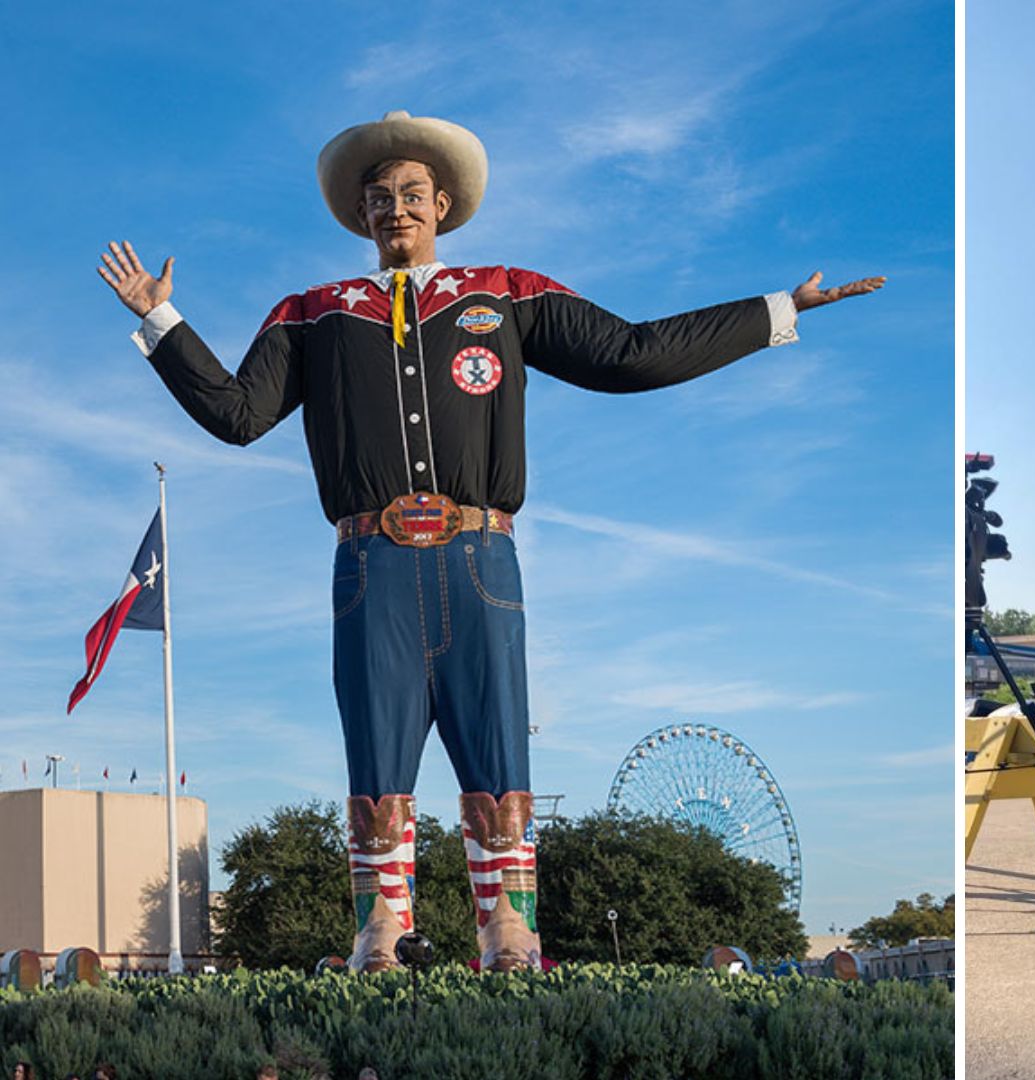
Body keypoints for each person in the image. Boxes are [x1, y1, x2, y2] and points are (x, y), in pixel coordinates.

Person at [97, 111, 882, 973]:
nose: (395, 210)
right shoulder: (314, 314)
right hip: (371, 560)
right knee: (376, 750)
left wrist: (778, 309)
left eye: (411, 195)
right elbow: (237, 415)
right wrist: (161, 320)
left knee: (498, 742)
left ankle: (509, 922)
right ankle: (381, 925)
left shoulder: (504, 292)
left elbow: (629, 353)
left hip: (481, 556)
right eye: (378, 198)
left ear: (443, 205)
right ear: (361, 215)